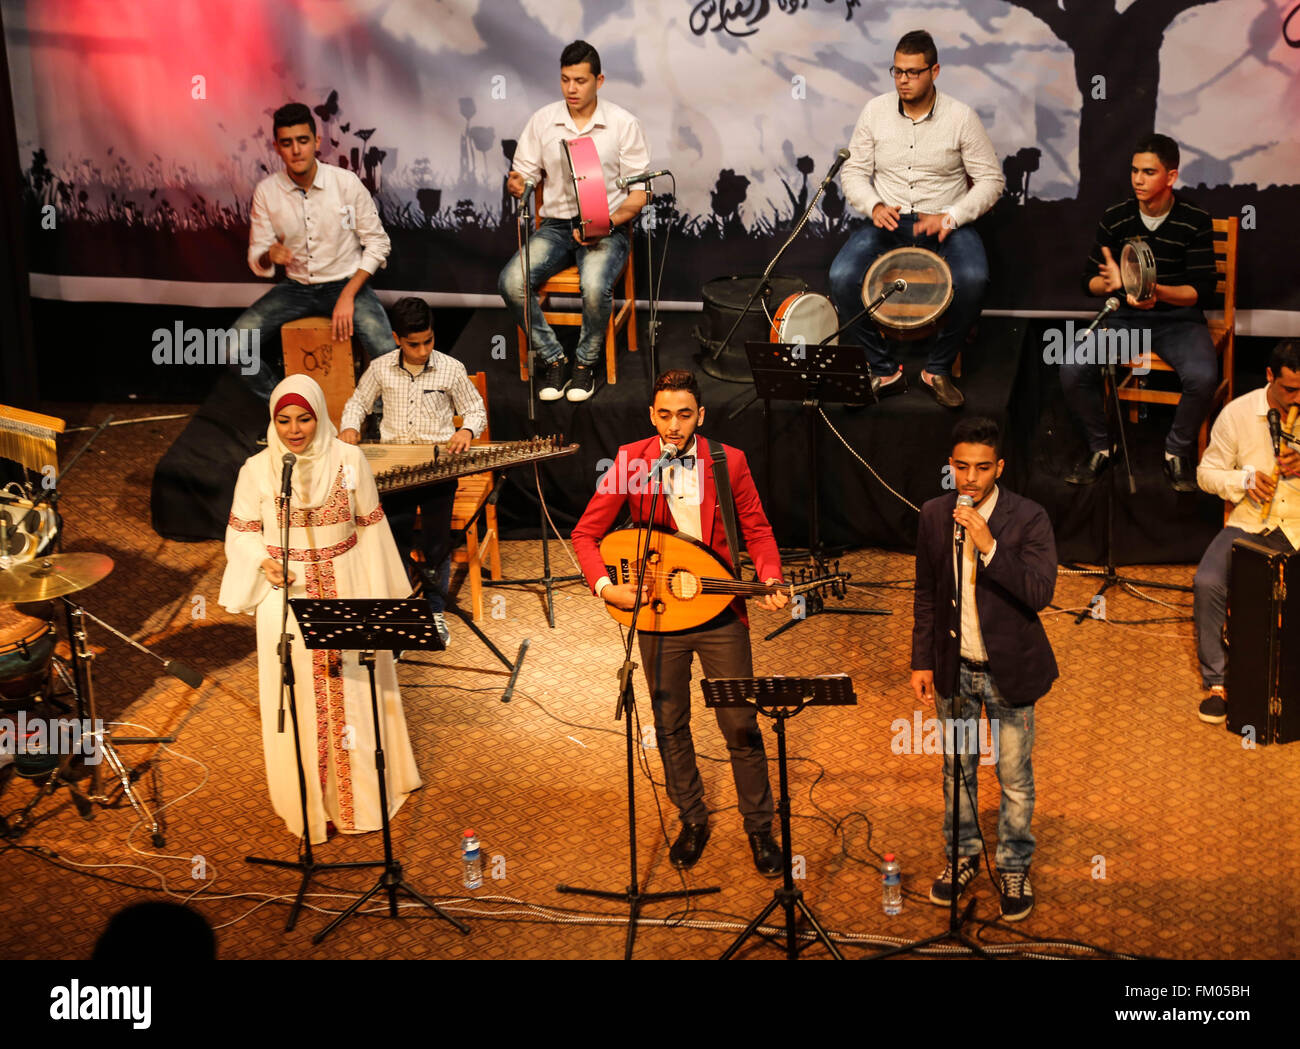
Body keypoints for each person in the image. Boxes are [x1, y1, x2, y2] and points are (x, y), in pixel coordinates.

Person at [570, 370, 787, 876]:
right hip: (657, 611)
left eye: (684, 415)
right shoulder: (632, 461)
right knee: (669, 722)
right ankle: (692, 817)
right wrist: (606, 587)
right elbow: (585, 534)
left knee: (739, 721)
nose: (673, 425)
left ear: (700, 416)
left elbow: (757, 530)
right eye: (664, 415)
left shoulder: (729, 461)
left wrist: (770, 576)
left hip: (720, 610)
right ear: (651, 415)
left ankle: (760, 827)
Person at [219, 374, 420, 844]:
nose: (294, 430)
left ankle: (358, 800)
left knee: (356, 689)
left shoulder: (349, 461)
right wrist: (263, 561)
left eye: (304, 419)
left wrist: (381, 602)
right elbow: (241, 533)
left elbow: (370, 529)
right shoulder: (257, 470)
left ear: (319, 416)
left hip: (348, 584)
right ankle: (311, 803)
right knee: (300, 696)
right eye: (284, 420)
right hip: (286, 596)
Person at [910, 417, 1057, 920]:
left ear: (1000, 468)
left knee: (1014, 776)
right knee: (957, 772)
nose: (970, 478)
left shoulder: (1029, 517)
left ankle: (1014, 864)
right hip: (955, 670)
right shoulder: (934, 514)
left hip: (1008, 671)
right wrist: (922, 661)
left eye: (982, 468)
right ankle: (963, 856)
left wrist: (989, 545)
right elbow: (926, 594)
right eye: (961, 466)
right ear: (950, 465)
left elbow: (1039, 592)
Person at [829, 29, 1004, 409]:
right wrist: (874, 205)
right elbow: (853, 171)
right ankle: (884, 370)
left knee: (974, 278)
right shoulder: (875, 112)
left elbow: (992, 181)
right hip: (889, 223)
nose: (903, 80)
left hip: (946, 226)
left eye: (913, 72)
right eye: (897, 71)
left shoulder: (961, 117)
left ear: (934, 71)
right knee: (841, 276)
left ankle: (936, 369)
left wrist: (950, 217)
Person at [1063, 133, 1217, 493]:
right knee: (1071, 368)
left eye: (1149, 172)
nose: (1138, 179)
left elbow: (1201, 292)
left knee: (1202, 377)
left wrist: (1154, 290)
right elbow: (1089, 282)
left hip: (1178, 321)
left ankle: (1176, 451)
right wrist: (1108, 284)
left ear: (1171, 176)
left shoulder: (1194, 219)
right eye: (1134, 171)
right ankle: (1103, 448)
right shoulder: (1116, 217)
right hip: (1126, 320)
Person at [497, 39, 650, 403]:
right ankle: (554, 358)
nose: (571, 89)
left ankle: (585, 363)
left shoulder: (623, 124)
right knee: (510, 282)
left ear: (599, 80)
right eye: (565, 80)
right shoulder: (544, 121)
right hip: (555, 227)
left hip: (607, 228)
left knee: (595, 286)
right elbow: (524, 176)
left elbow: (640, 195)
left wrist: (609, 222)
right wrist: (518, 184)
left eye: (580, 81)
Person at [339, 296, 487, 644]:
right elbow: (357, 403)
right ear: (396, 339)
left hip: (437, 470)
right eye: (413, 344)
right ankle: (404, 612)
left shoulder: (451, 368)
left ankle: (434, 611)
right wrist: (349, 427)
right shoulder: (381, 368)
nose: (422, 351)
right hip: (396, 471)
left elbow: (475, 410)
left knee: (437, 545)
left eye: (428, 341)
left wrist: (466, 431)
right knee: (395, 541)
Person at [234, 102, 393, 401]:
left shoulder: (345, 183)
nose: (296, 150)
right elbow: (258, 255)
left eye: (303, 140)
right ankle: (285, 405)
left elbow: (378, 243)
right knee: (232, 348)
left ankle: (378, 414)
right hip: (296, 288)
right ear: (276, 147)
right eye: (287, 143)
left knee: (386, 353)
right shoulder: (267, 191)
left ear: (317, 142)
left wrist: (348, 295)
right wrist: (269, 255)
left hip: (346, 283)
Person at [1192, 341, 1300, 723]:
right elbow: (1205, 475)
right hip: (1252, 521)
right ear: (1270, 376)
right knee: (1207, 582)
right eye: (1290, 389)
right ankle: (1217, 682)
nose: (1298, 399)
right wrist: (1245, 480)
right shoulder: (1237, 413)